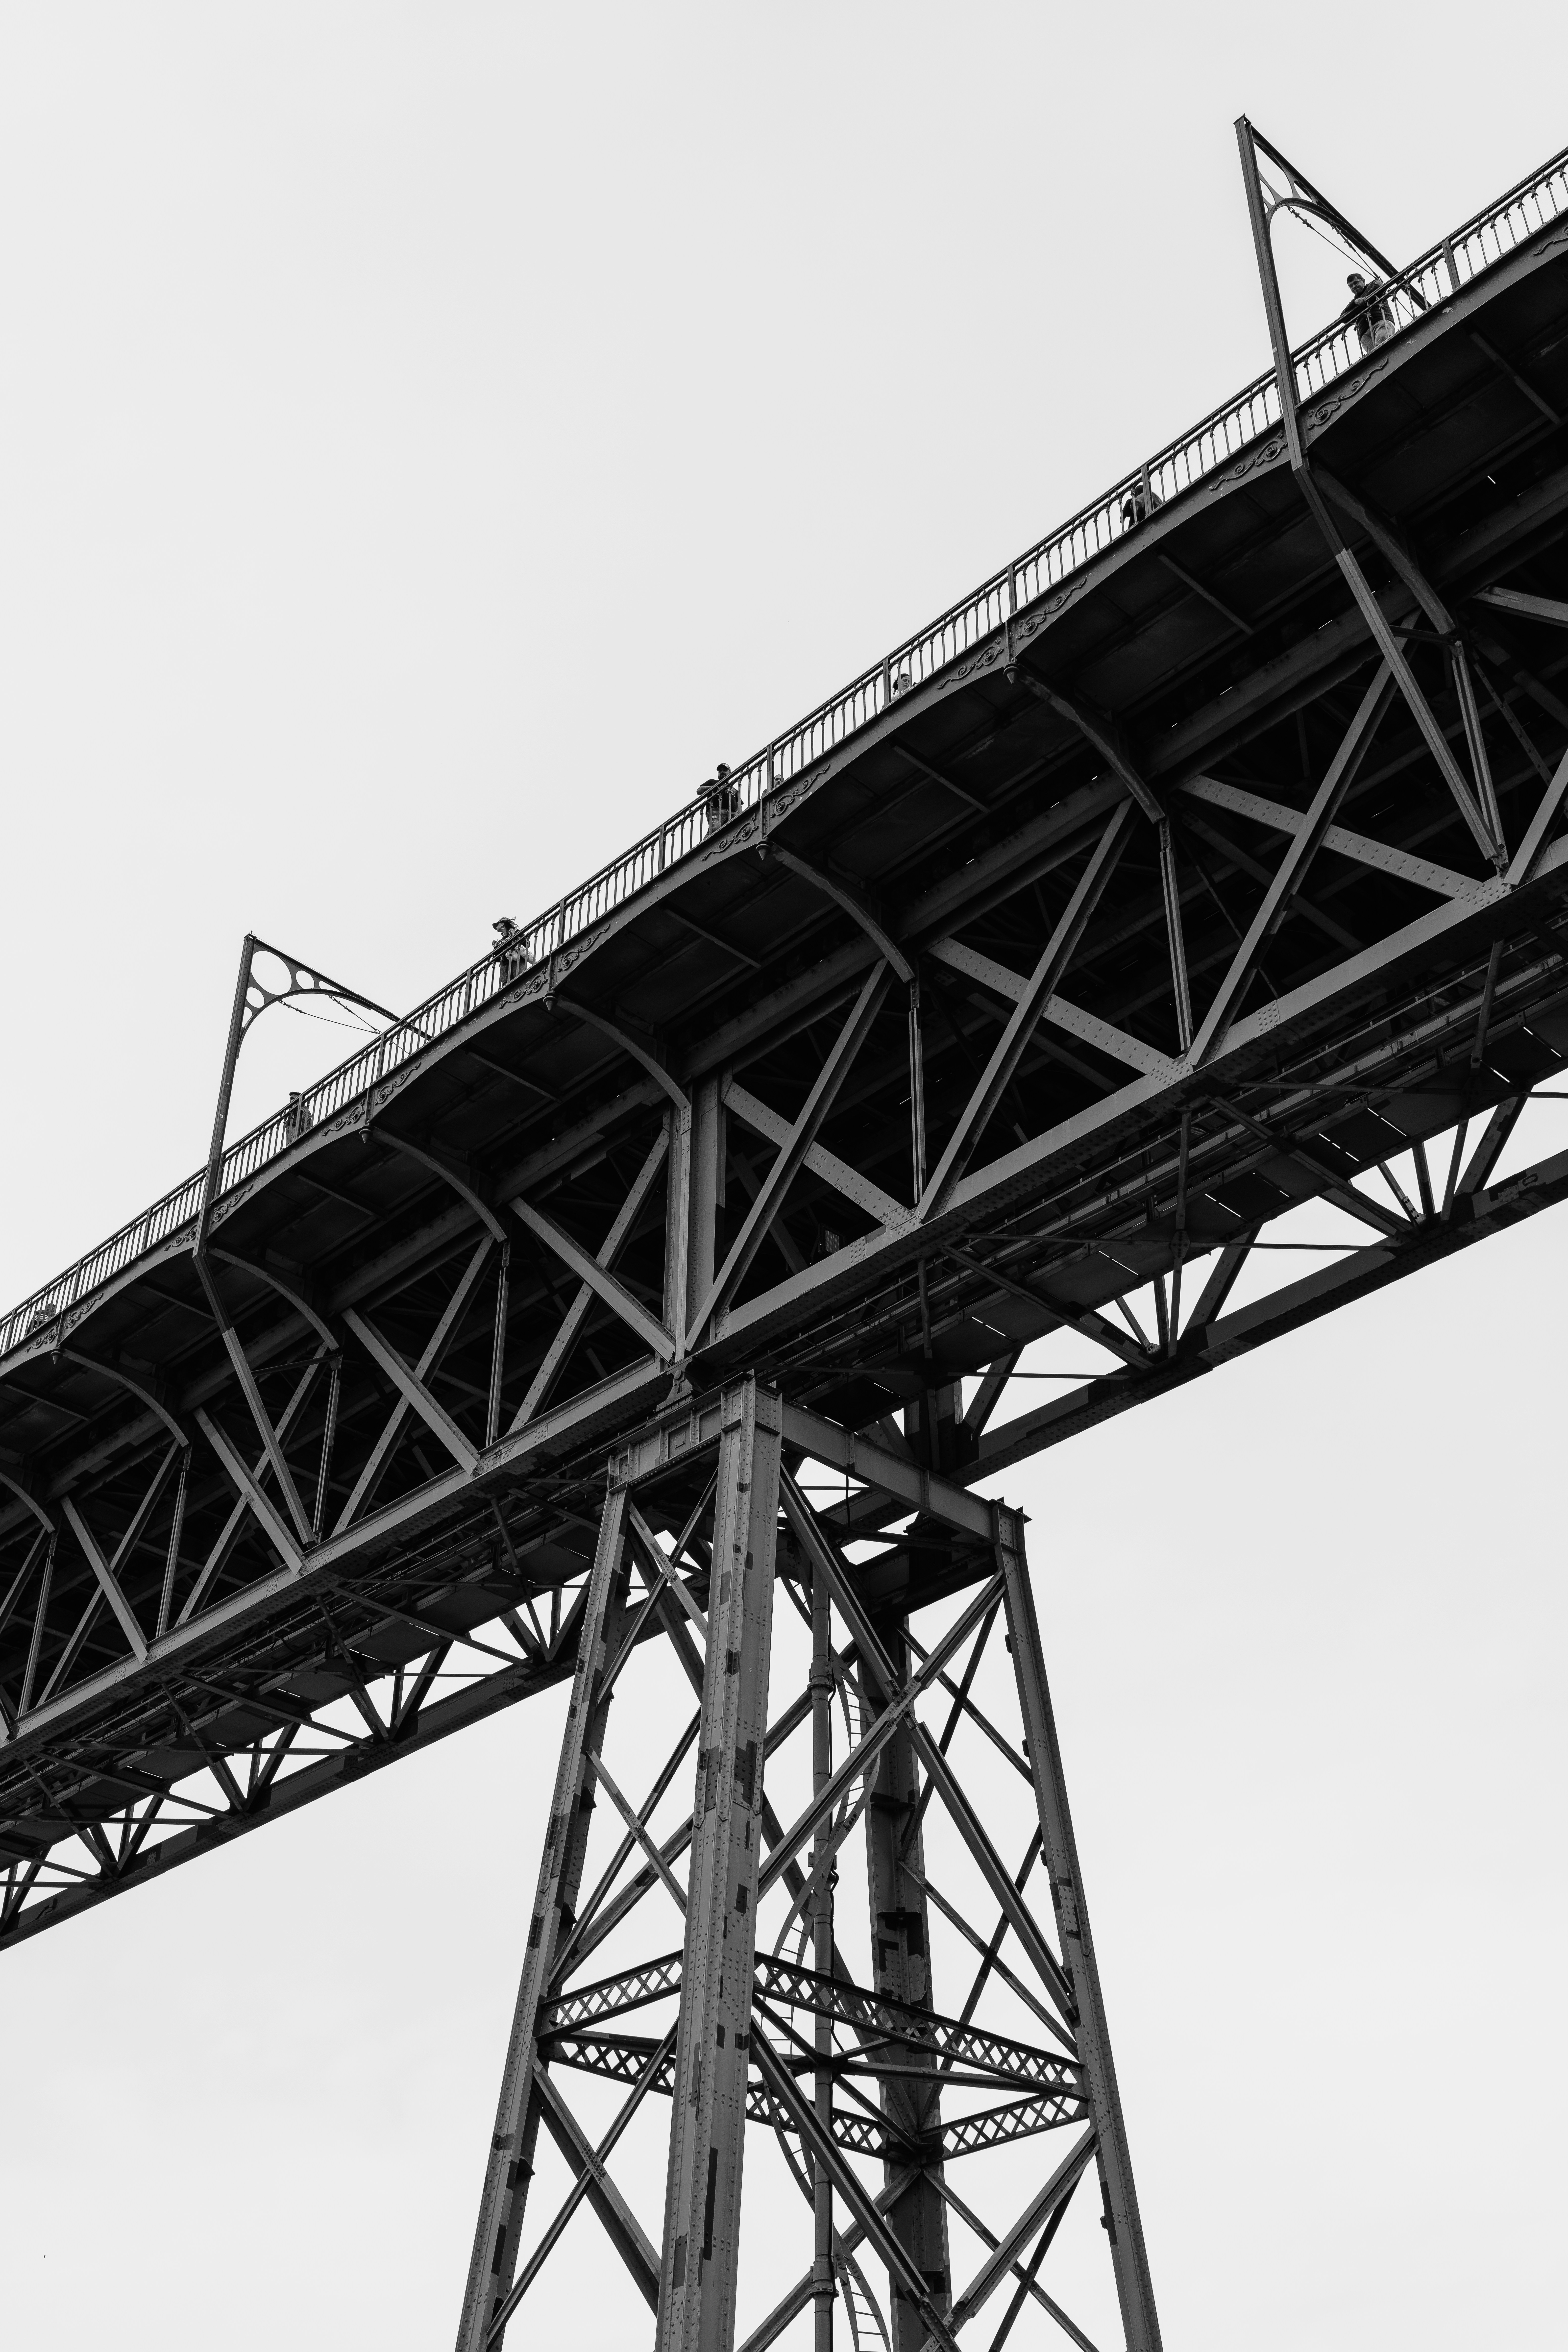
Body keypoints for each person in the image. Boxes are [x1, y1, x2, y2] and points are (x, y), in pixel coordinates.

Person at [1341, 271, 1395, 359]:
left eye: (1356, 283)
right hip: (1365, 335)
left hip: (1381, 322)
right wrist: (1355, 302)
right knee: (1375, 357)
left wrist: (1363, 300)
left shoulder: (1373, 284)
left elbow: (1379, 286)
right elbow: (1343, 317)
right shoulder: (1354, 303)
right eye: (1351, 286)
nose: (1354, 287)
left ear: (1363, 281)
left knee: (1382, 342)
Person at [702, 761, 740, 832]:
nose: (722, 772)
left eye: (725, 770)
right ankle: (706, 842)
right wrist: (715, 788)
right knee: (715, 831)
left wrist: (739, 813)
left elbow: (739, 805)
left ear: (730, 773)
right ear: (718, 774)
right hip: (716, 810)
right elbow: (699, 791)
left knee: (738, 828)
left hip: (732, 814)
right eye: (720, 771)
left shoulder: (735, 790)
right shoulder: (713, 782)